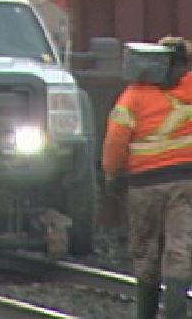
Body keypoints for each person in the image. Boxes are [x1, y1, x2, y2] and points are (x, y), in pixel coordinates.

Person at [102, 36, 192, 319]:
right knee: (180, 246)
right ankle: (176, 310)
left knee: (146, 248)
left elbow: (116, 140)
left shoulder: (134, 95)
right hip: (185, 182)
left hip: (144, 184)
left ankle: (146, 313)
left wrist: (112, 173)